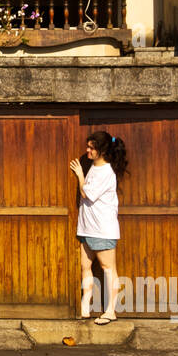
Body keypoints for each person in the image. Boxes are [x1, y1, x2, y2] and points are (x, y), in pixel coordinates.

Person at [69, 131, 129, 325]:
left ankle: (111, 310)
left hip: (102, 229)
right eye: (88, 146)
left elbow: (87, 194)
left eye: (91, 148)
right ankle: (86, 304)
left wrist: (79, 175)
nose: (87, 150)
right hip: (87, 227)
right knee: (85, 266)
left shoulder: (106, 172)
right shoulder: (95, 167)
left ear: (102, 150)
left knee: (108, 268)